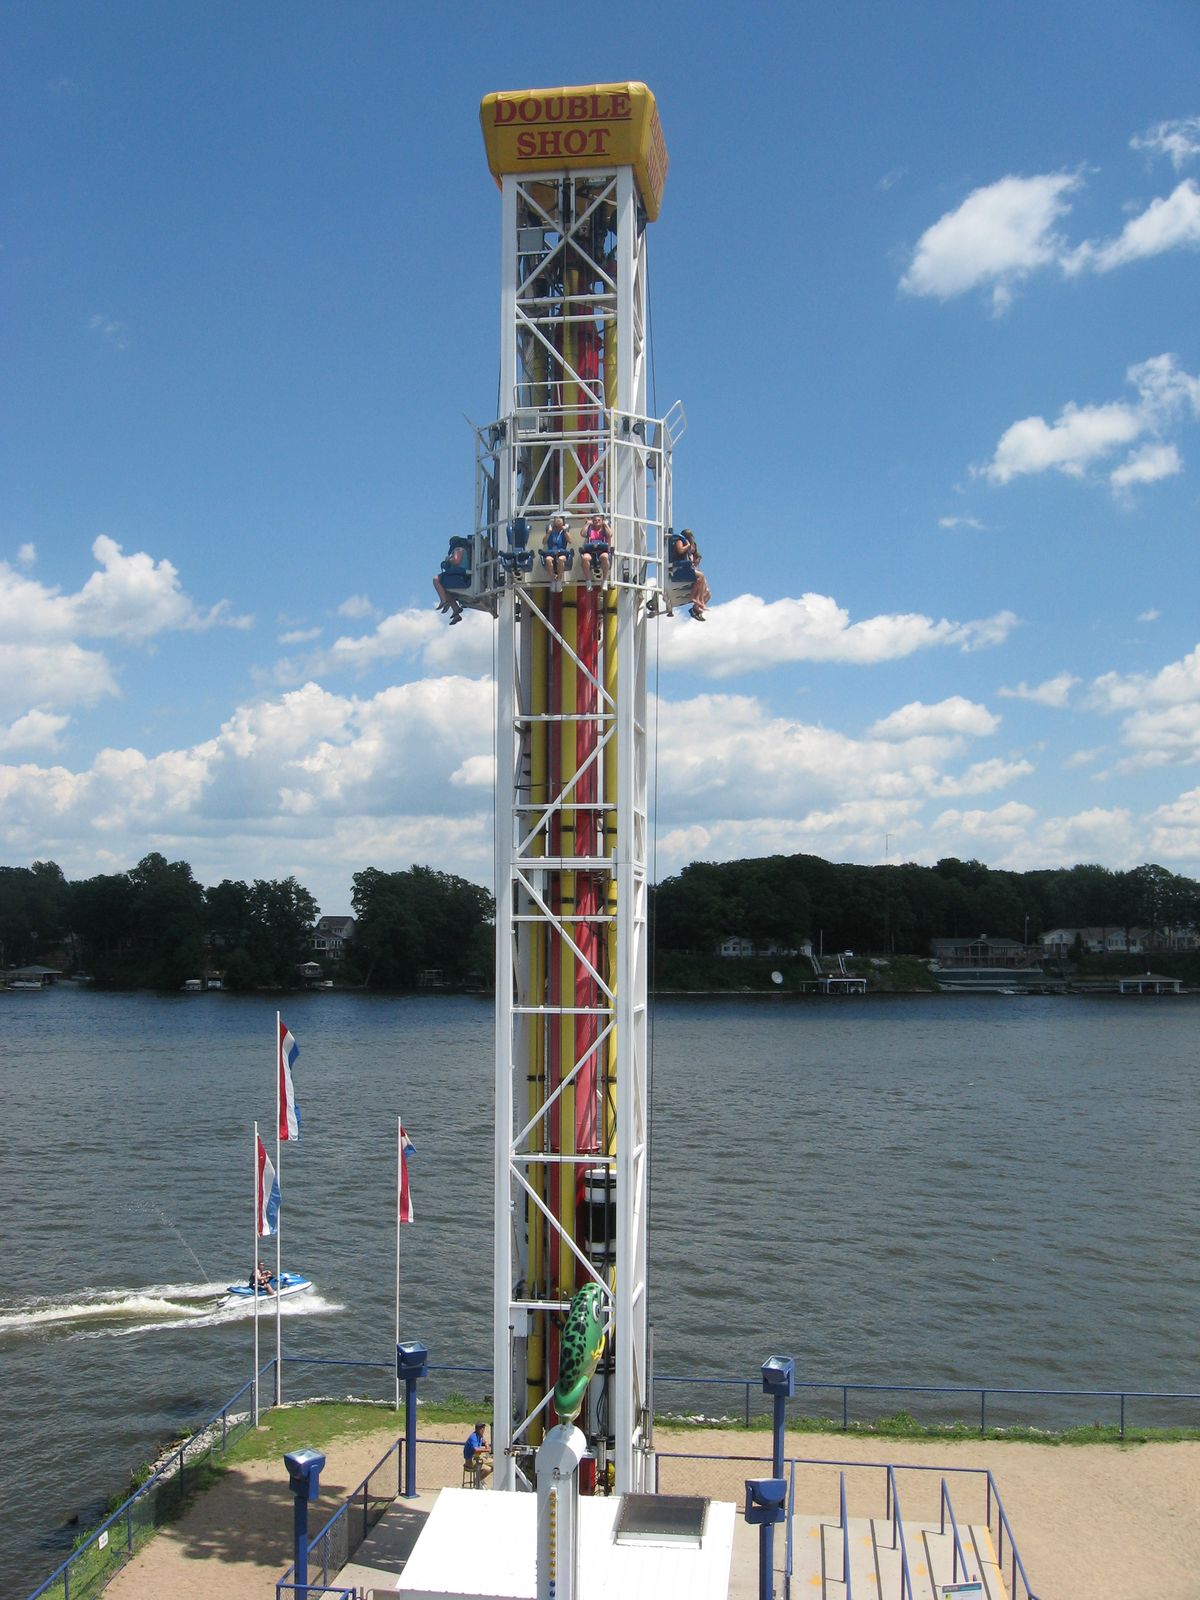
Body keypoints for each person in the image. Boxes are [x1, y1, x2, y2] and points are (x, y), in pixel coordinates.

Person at [668, 528, 711, 620]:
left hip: (688, 568)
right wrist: (687, 545)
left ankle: (697, 607)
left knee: (707, 593)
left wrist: (696, 559)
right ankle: (695, 598)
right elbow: (680, 550)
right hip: (680, 568)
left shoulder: (692, 546)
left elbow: (695, 555)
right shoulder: (680, 540)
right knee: (701, 576)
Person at [434, 539, 469, 625]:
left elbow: (456, 561)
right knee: (445, 591)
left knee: (436, 579)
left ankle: (443, 601)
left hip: (459, 576)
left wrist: (448, 559)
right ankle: (456, 611)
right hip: (460, 575)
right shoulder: (466, 551)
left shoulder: (458, 549)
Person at [580, 513, 612, 588]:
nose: (597, 522)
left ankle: (604, 580)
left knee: (605, 557)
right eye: (595, 520)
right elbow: (582, 534)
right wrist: (587, 524)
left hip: (602, 551)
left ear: (602, 521)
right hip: (591, 551)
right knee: (585, 558)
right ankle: (588, 581)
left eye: (599, 520)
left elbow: (610, 535)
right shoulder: (590, 529)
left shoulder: (604, 528)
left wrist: (606, 524)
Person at [541, 516, 570, 590]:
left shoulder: (564, 531)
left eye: (559, 520)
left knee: (561, 559)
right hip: (551, 552)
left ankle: (559, 579)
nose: (558, 522)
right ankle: (553, 579)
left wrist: (565, 531)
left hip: (562, 552)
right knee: (548, 559)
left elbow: (570, 541)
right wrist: (548, 533)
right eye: (556, 520)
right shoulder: (551, 531)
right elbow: (544, 542)